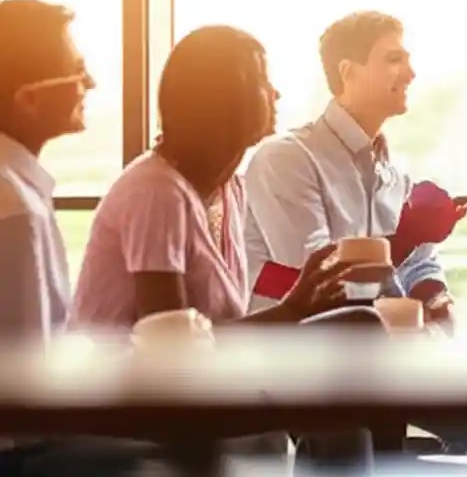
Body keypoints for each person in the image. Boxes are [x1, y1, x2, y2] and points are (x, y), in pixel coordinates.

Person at [69, 25, 381, 474]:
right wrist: (290, 313)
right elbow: (172, 355)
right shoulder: (156, 192)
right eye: (260, 79)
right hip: (135, 395)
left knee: (359, 326)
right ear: (221, 99)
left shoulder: (228, 189)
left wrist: (294, 307)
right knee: (337, 376)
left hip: (205, 371)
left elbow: (216, 334)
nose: (275, 91)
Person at [0, 0, 148, 476]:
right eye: (77, 73)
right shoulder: (14, 206)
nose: (91, 84)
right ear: (28, 98)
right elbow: (27, 390)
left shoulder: (19, 187)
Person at [242, 11, 458, 322]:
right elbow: (324, 280)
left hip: (368, 348)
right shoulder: (286, 159)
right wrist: (403, 240)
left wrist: (437, 301)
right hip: (292, 355)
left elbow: (421, 263)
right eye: (394, 59)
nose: (411, 73)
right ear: (348, 71)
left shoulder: (396, 178)